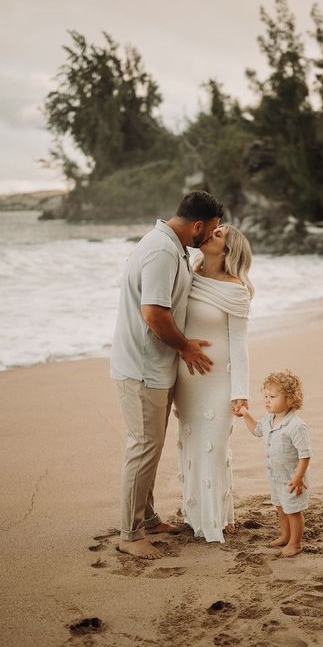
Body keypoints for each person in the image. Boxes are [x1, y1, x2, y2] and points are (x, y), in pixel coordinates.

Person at [111, 190, 224, 559]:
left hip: (153, 366)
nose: (210, 237)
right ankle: (129, 535)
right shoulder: (161, 250)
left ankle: (147, 518)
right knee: (143, 447)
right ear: (196, 225)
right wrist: (186, 347)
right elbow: (155, 315)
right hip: (141, 368)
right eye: (210, 230)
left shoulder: (172, 248)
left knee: (151, 446)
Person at [174, 224, 254, 543]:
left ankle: (215, 520)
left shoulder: (236, 289)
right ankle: (197, 517)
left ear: (228, 250)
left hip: (219, 381)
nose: (210, 234)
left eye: (219, 235)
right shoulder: (188, 276)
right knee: (192, 447)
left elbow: (239, 344)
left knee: (215, 448)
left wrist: (240, 392)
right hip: (188, 380)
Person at [236, 370, 311, 557]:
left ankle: (296, 543)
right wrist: (245, 413)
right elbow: (257, 430)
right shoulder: (270, 419)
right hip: (275, 476)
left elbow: (305, 454)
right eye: (266, 396)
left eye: (273, 396)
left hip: (292, 478)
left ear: (290, 399)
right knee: (280, 507)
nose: (267, 400)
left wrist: (299, 477)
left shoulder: (296, 425)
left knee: (293, 511)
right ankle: (285, 536)